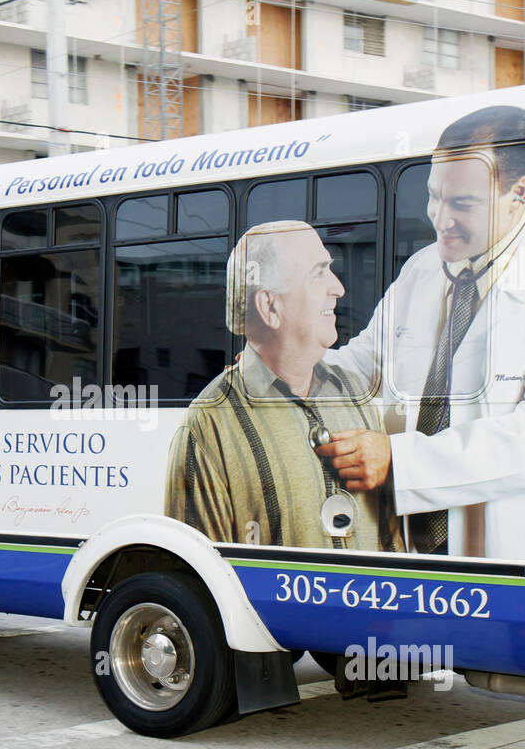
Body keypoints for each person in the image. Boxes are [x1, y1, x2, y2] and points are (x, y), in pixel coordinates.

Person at [320, 105, 525, 559]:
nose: (440, 219)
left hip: (513, 556)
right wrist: (285, 368)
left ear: (519, 191)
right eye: (434, 196)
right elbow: (360, 364)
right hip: (412, 553)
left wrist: (398, 461)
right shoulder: (423, 270)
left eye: (462, 203)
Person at [164, 220, 403, 554]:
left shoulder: (353, 392)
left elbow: (391, 543)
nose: (338, 288)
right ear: (269, 306)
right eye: (318, 273)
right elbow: (199, 571)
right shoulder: (208, 426)